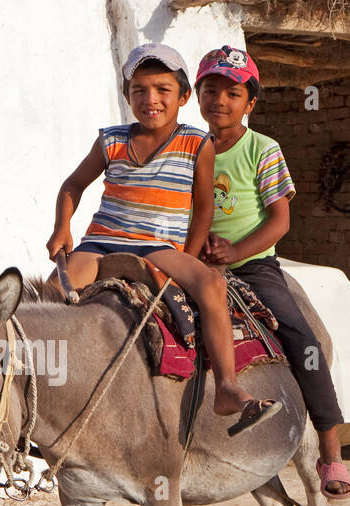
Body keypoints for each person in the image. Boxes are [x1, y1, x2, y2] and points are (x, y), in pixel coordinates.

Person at [46, 42, 281, 435]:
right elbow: (73, 185)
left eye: (162, 90)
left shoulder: (196, 144)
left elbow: (203, 208)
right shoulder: (111, 140)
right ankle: (48, 396)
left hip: (159, 245)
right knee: (56, 291)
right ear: (127, 95)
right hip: (102, 241)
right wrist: (62, 228)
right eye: (139, 90)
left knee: (210, 283)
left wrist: (187, 257)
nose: (150, 99)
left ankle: (226, 387)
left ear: (183, 96)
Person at [194, 45, 350, 497]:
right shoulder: (188, 148)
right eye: (210, 90)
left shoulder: (262, 149)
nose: (220, 100)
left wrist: (236, 250)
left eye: (232, 92)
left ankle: (330, 450)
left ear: (251, 104)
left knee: (303, 340)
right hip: (195, 264)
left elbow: (280, 220)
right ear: (197, 96)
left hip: (253, 267)